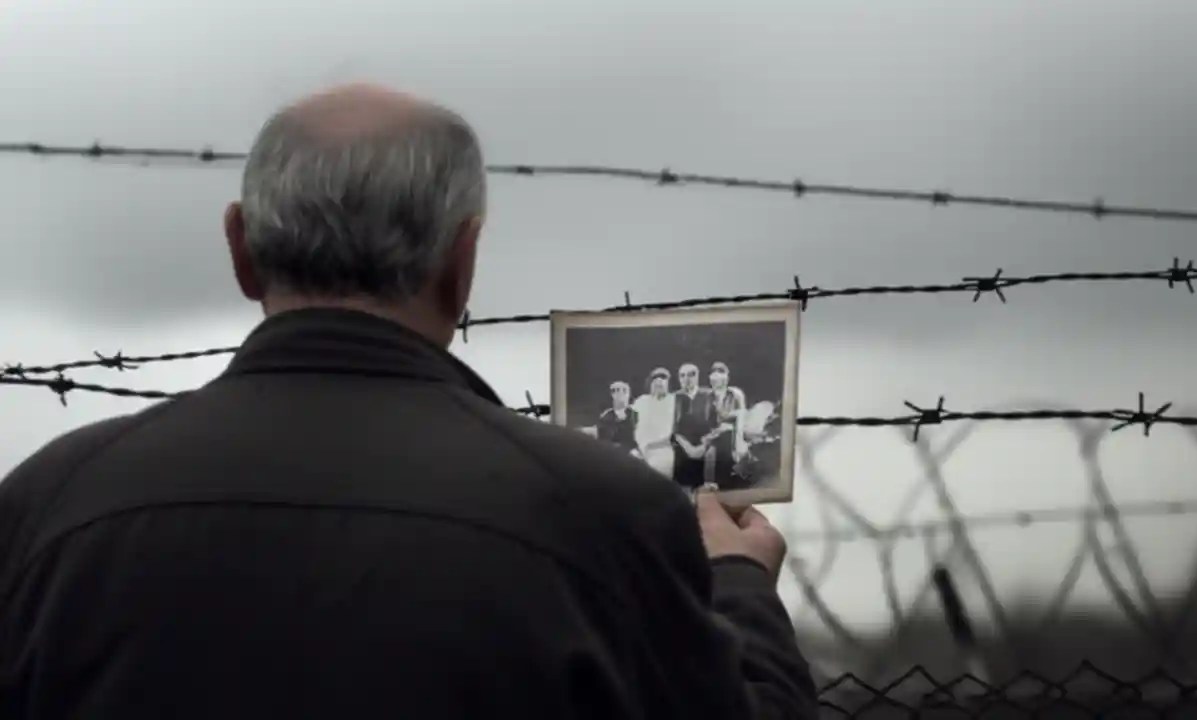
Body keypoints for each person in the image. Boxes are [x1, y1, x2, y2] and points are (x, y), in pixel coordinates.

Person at [0, 84, 816, 719]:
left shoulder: (45, 505)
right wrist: (738, 586)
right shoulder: (608, 516)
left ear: (241, 250)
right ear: (462, 265)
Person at [672, 362, 715, 490]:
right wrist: (688, 448)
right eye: (682, 375)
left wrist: (704, 445)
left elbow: (716, 423)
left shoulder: (709, 395)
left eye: (691, 374)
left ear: (698, 376)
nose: (687, 379)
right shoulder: (674, 398)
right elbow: (672, 428)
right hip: (681, 446)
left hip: (706, 444)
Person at [706, 361, 748, 489]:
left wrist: (738, 440)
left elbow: (742, 417)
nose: (716, 378)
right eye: (714, 374)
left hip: (734, 433)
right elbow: (708, 421)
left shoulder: (735, 394)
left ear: (726, 378)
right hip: (716, 435)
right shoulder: (709, 397)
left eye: (721, 373)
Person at [631, 366, 677, 477]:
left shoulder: (675, 401)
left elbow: (676, 431)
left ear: (668, 384)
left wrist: (653, 445)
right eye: (655, 379)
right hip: (641, 449)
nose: (659, 381)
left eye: (663, 378)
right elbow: (632, 425)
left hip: (664, 448)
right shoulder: (640, 401)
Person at [594, 380, 639, 457]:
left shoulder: (636, 415)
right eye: (616, 391)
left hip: (634, 455)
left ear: (629, 394)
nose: (620, 394)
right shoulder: (606, 417)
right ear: (612, 395)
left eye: (624, 391)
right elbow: (604, 441)